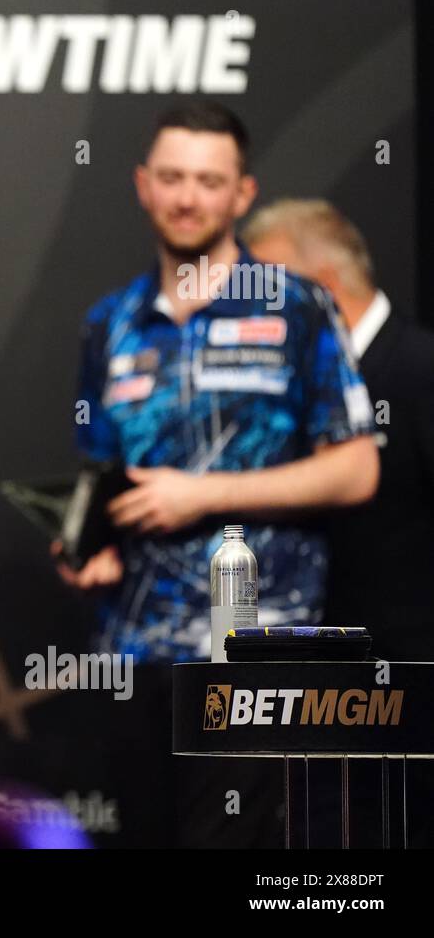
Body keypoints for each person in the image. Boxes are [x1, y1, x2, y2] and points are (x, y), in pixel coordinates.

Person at [55, 102, 379, 847]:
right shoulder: (111, 321)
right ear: (143, 185)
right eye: (171, 177)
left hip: (256, 651)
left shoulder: (298, 306)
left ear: (242, 194)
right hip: (133, 652)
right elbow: (100, 474)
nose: (186, 196)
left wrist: (204, 494)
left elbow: (357, 469)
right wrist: (88, 546)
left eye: (209, 180)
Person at [245, 199, 434, 847]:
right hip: (314, 687)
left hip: (409, 689)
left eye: (262, 287)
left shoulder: (418, 369)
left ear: (321, 288)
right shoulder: (292, 393)